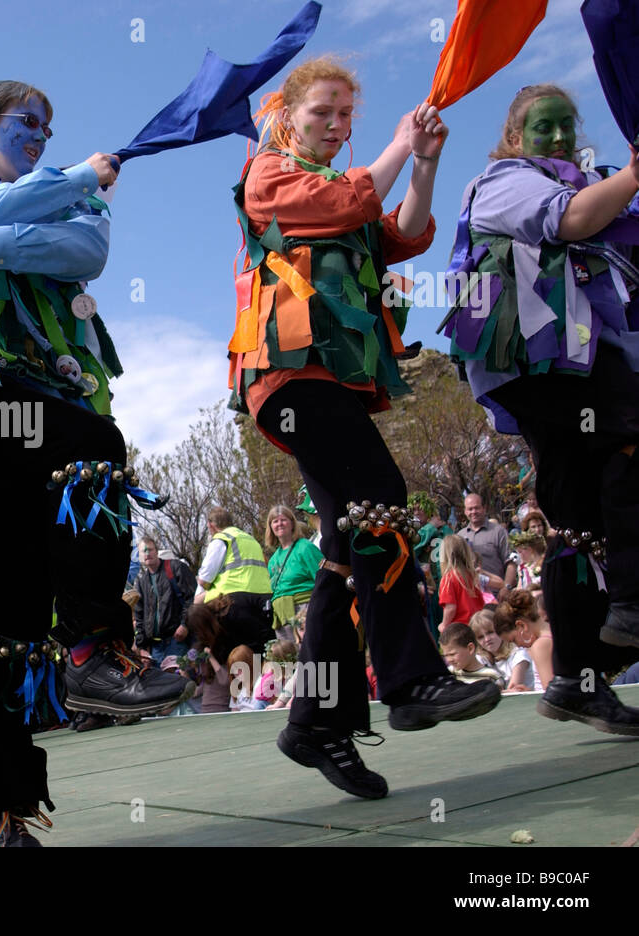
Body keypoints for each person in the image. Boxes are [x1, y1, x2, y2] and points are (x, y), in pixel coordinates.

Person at [0, 80, 192, 844]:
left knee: (11, 624)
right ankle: (94, 645)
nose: (42, 137)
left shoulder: (59, 200)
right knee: (94, 444)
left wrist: (2, 245)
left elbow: (86, 249)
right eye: (29, 122)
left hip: (32, 418)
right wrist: (78, 181)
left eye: (50, 130)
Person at [229, 57, 499, 800]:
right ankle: (412, 680)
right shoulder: (270, 176)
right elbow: (351, 198)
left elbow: (400, 231)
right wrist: (397, 146)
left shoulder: (344, 196)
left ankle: (315, 722)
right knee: (380, 490)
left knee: (347, 547)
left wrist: (425, 163)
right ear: (287, 114)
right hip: (289, 380)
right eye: (326, 111)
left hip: (337, 384)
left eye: (347, 116)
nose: (338, 126)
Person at [445, 84, 639, 732]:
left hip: (575, 365)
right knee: (628, 441)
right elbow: (572, 220)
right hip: (536, 361)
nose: (556, 137)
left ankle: (579, 681)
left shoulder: (591, 183)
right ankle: (632, 603)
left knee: (573, 522)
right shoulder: (504, 184)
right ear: (513, 135)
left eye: (566, 126)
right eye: (542, 126)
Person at [132, 535, 198, 664]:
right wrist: (141, 647)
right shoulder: (141, 582)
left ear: (156, 551)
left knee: (179, 680)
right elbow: (139, 616)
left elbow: (192, 598)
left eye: (150, 549)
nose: (147, 554)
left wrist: (185, 624)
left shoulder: (175, 568)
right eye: (143, 552)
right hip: (155, 648)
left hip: (176, 640)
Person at [265, 505, 322, 638]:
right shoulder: (273, 559)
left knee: (309, 654)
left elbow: (323, 579)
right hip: (281, 614)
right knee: (288, 657)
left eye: (283, 520)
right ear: (271, 528)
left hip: (304, 610)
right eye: (275, 521)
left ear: (292, 523)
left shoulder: (305, 548)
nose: (279, 524)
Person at [492, 590, 553, 694]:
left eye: (514, 640)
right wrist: (529, 692)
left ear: (521, 625)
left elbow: (553, 695)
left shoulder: (540, 646)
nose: (519, 646)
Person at [456, 494, 516, 598]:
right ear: (465, 512)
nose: (473, 512)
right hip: (470, 597)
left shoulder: (499, 532)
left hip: (496, 595)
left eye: (477, 508)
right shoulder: (459, 536)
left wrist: (506, 588)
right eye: (470, 509)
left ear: (484, 508)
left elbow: (511, 562)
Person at [438, 534, 487, 628]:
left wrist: (444, 624)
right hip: (476, 624)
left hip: (460, 628)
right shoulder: (471, 574)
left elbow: (451, 608)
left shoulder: (449, 578)